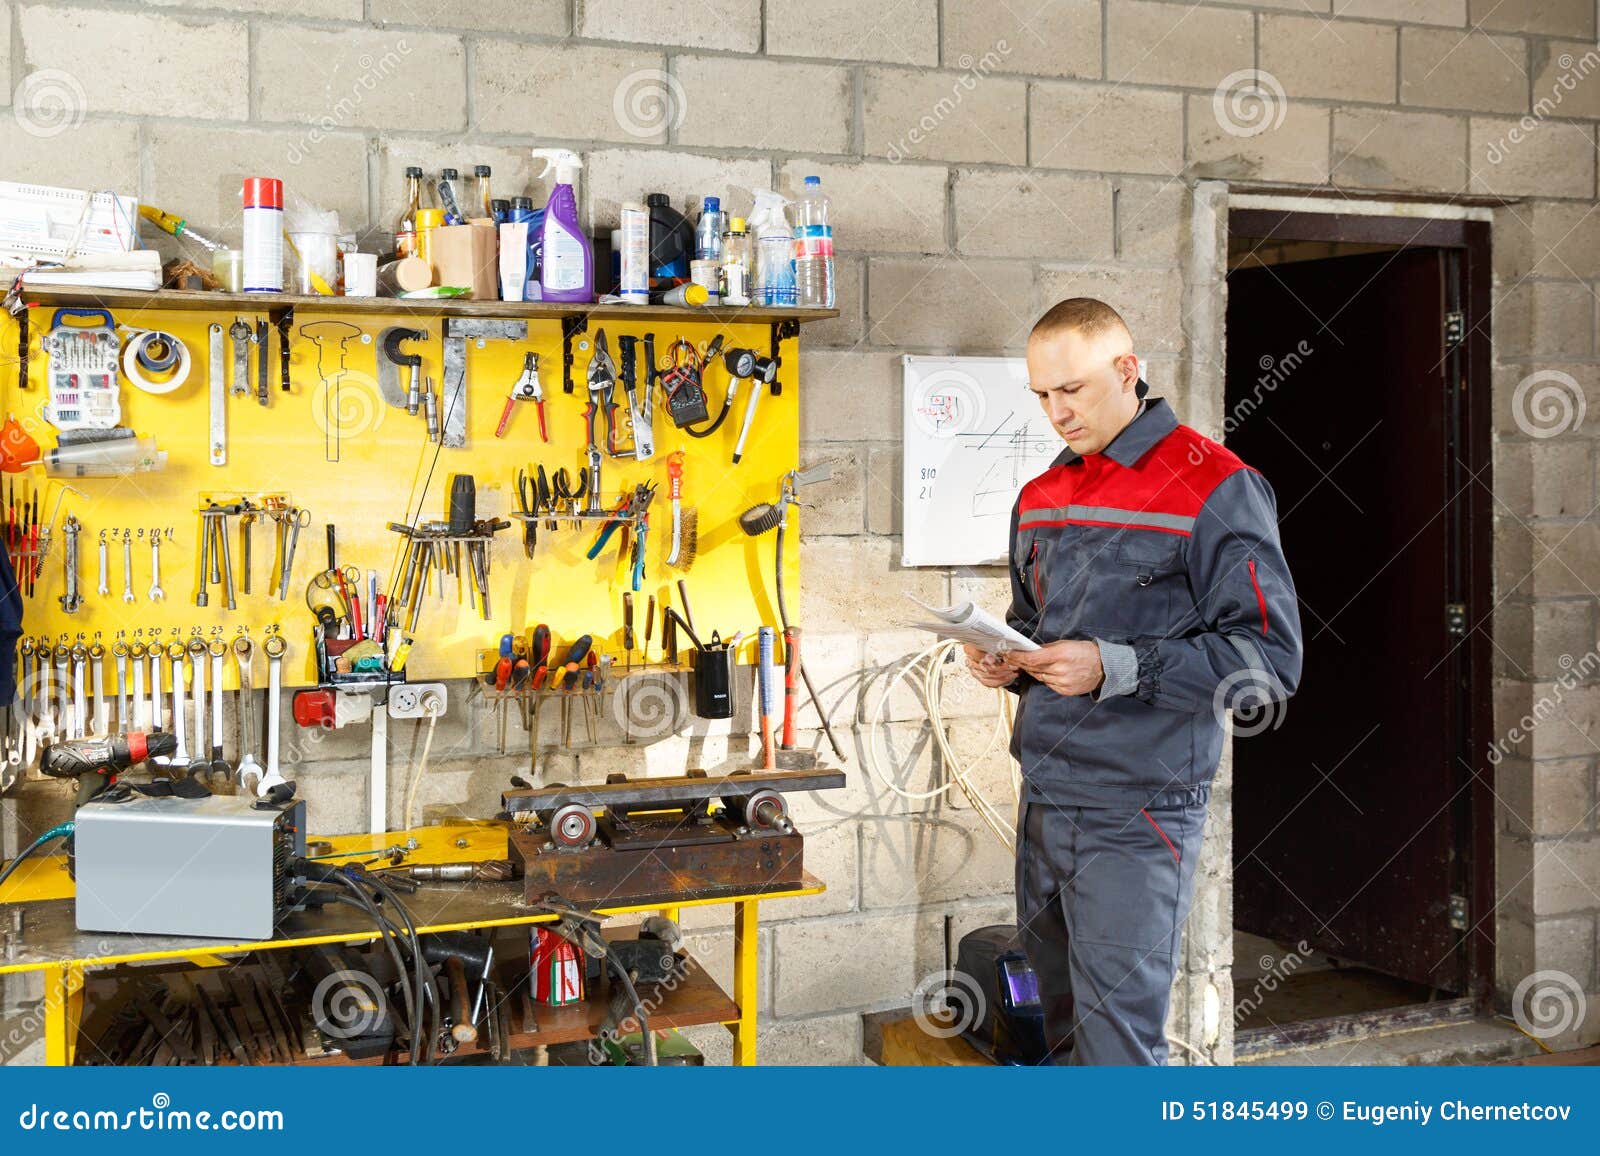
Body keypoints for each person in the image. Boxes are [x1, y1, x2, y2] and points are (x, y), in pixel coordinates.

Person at [964, 298, 1302, 1065]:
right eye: (1042, 396)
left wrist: (1116, 666)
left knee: (1116, 1049)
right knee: (1051, 1034)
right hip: (1046, 795)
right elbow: (1040, 631)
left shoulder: (1216, 485)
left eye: (1072, 391)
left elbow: (1269, 662)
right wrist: (1005, 661)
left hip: (1139, 810)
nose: (1056, 413)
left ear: (1128, 370)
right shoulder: (1043, 496)